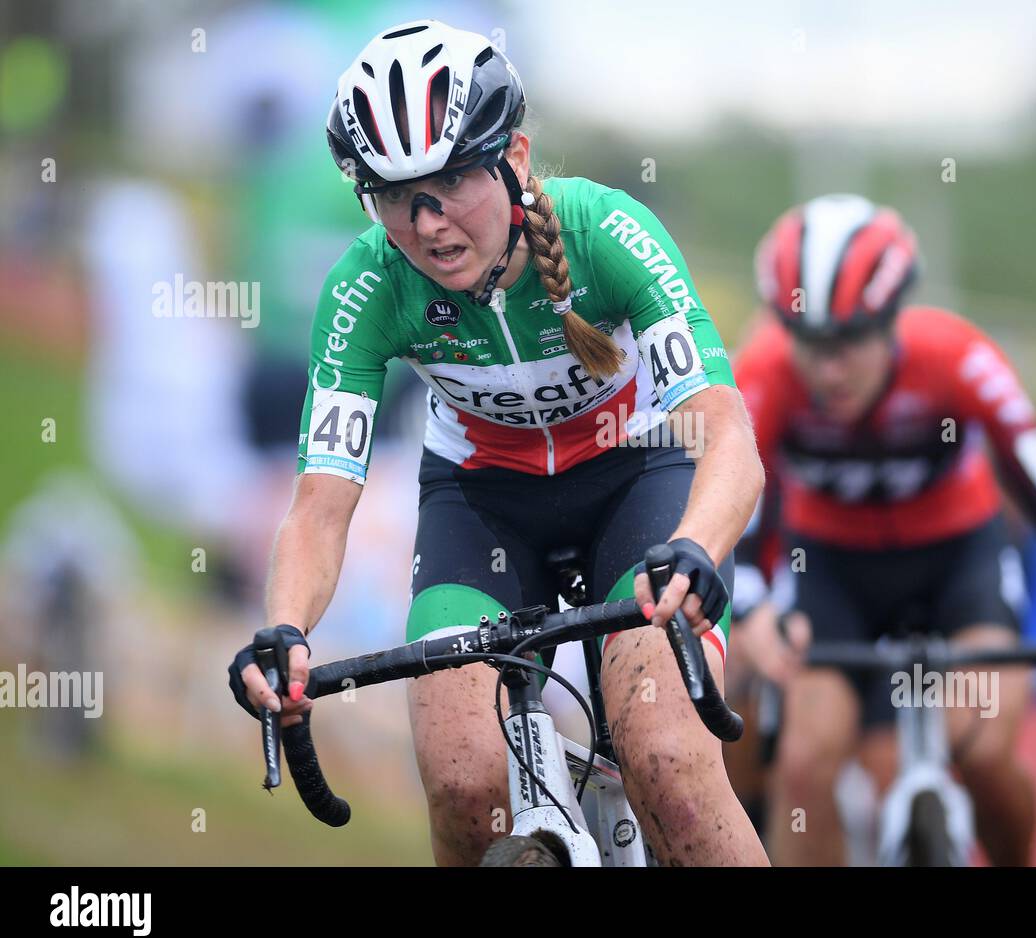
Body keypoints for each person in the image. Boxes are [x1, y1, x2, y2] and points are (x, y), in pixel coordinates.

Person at [227, 19, 768, 866]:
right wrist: (284, 629)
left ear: (513, 159)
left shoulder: (607, 233)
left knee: (666, 760)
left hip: (638, 488)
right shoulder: (367, 288)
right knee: (460, 782)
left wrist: (698, 545)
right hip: (482, 508)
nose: (430, 222)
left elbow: (726, 430)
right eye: (395, 195)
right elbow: (320, 504)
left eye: (448, 183)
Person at [732, 194, 1036, 865]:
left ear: (894, 320)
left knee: (979, 755)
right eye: (810, 342)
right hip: (832, 571)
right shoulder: (764, 375)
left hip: (960, 564)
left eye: (850, 341)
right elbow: (740, 524)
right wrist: (751, 612)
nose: (829, 369)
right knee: (803, 765)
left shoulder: (955, 355)